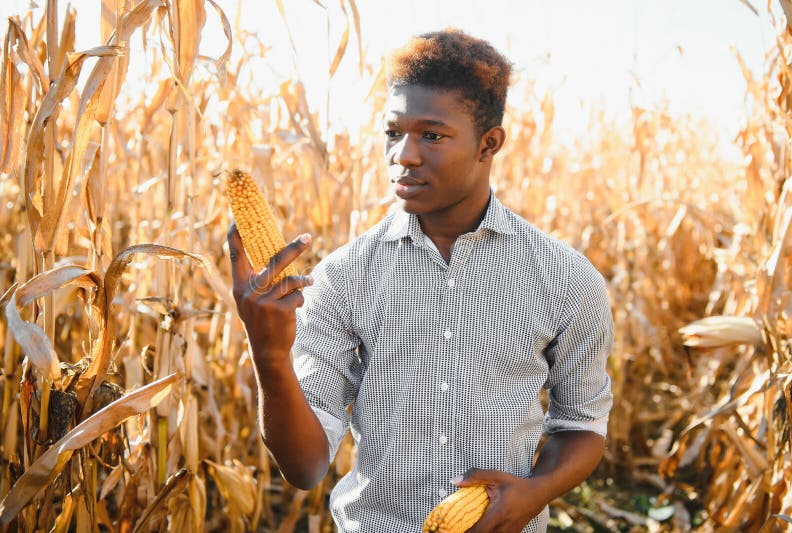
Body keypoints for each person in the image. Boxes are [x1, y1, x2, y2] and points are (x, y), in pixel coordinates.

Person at [227, 28, 613, 533]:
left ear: (488, 144)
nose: (404, 155)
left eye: (432, 135)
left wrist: (533, 494)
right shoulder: (344, 277)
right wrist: (270, 356)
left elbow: (582, 424)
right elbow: (305, 468)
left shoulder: (564, 277)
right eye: (394, 132)